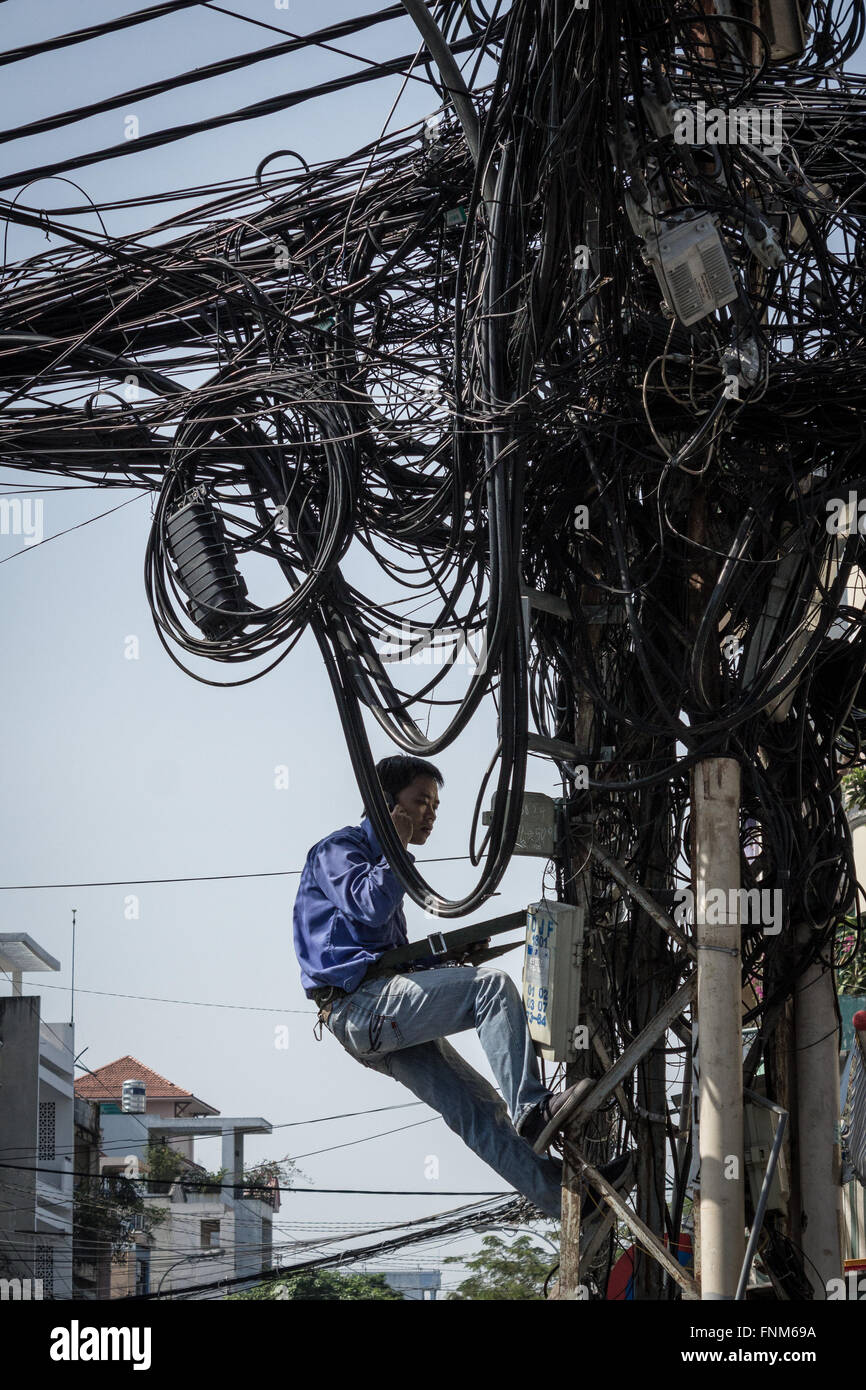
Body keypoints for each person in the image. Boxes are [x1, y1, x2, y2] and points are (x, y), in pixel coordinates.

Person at [292, 754, 601, 1219]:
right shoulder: (341, 850)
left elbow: (387, 956)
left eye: (435, 805)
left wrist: (446, 957)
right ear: (386, 803)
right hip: (358, 1007)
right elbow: (370, 907)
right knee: (491, 989)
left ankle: (568, 1202)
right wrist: (397, 846)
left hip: (374, 1013)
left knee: (476, 1111)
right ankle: (534, 1109)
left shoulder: (382, 862)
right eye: (421, 802)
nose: (431, 814)